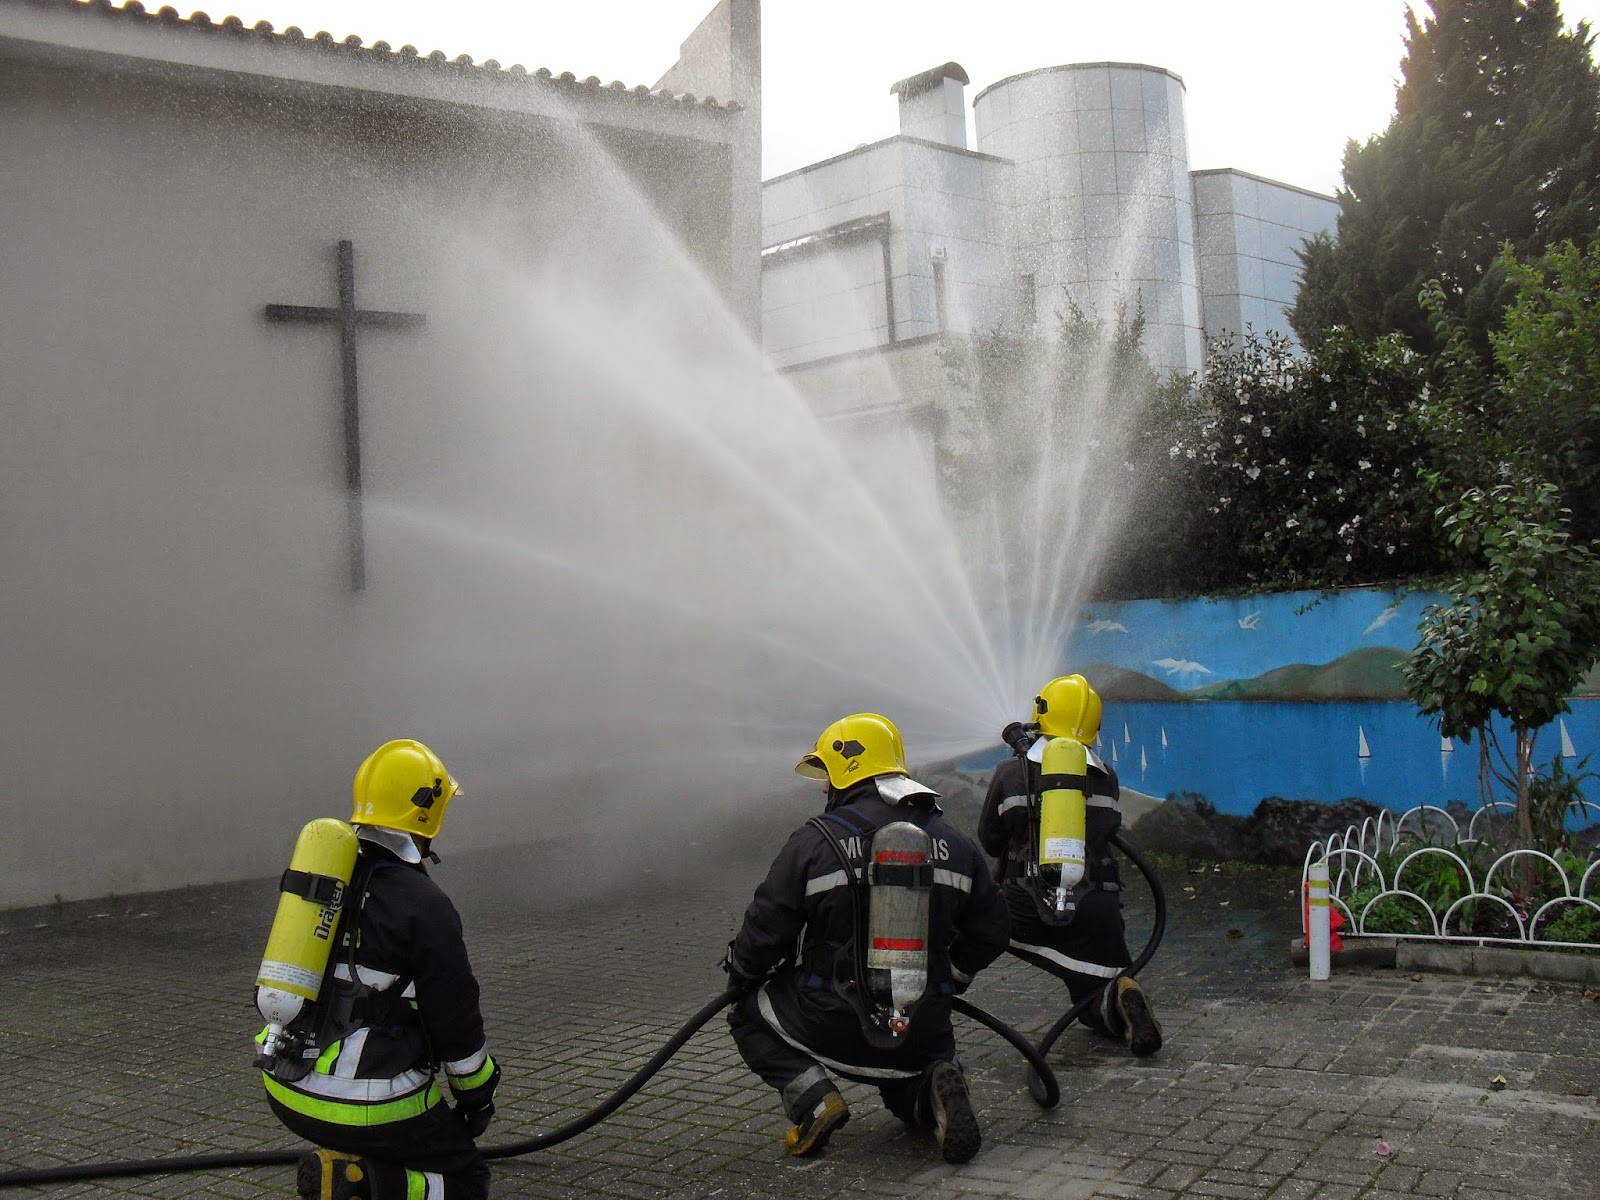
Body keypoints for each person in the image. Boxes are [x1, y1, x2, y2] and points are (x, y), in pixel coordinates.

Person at [723, 713, 1011, 1164]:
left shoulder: (813, 842)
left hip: (831, 1019)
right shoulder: (957, 843)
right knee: (903, 1088)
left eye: (827, 774)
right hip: (921, 1028)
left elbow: (766, 929)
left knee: (747, 1016)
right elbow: (994, 929)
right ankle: (932, 1083)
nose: (823, 787)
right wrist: (951, 978)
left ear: (848, 771)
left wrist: (742, 973)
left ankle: (815, 1101)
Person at [261, 739, 501, 1200]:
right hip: (365, 1107)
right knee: (468, 1182)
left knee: (400, 1136)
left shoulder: (326, 878)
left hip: (285, 1089)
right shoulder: (423, 904)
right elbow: (455, 1017)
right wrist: (476, 1096)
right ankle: (361, 1183)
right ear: (426, 813)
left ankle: (350, 1165)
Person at [978, 675, 1162, 1057]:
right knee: (1092, 991)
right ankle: (1119, 995)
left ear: (1040, 714)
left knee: (972, 930)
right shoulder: (1106, 776)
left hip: (1028, 906)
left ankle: (924, 1016)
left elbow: (990, 838)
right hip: (1100, 909)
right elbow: (1109, 829)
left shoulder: (1010, 773)